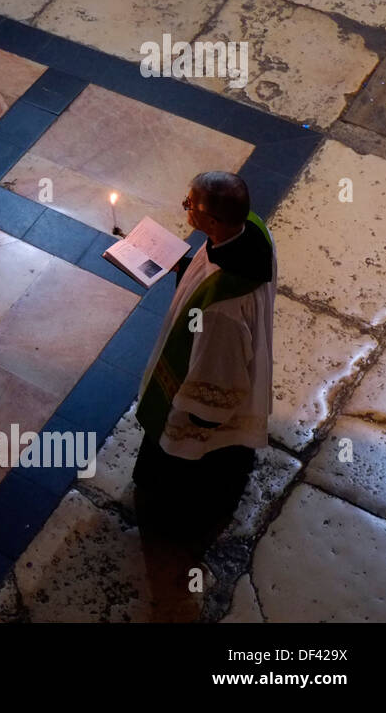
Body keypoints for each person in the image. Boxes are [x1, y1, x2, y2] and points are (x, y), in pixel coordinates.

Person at [132, 171, 277, 549]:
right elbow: (207, 270)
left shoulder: (221, 313)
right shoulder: (253, 230)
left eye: (189, 205)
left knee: (190, 462)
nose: (185, 209)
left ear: (213, 221)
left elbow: (218, 371)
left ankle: (177, 523)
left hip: (202, 413)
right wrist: (184, 271)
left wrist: (195, 416)